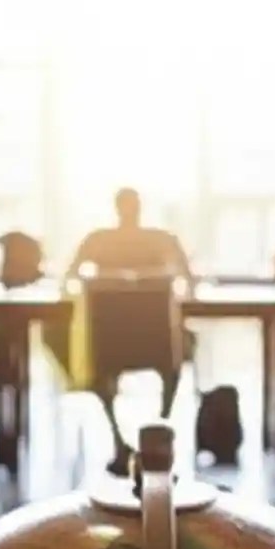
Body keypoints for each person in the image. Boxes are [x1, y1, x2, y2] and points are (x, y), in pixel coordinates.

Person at [68, 188, 192, 475]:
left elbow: (72, 275)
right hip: (156, 342)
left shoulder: (98, 240)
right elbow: (187, 276)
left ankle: (120, 440)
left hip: (111, 342)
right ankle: (159, 431)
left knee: (98, 365)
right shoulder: (160, 239)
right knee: (176, 358)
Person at [67, 187, 193, 281]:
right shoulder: (97, 240)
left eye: (132, 205)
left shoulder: (98, 240)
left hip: (152, 306)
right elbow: (71, 275)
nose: (129, 210)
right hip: (107, 305)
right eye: (127, 205)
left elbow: (185, 274)